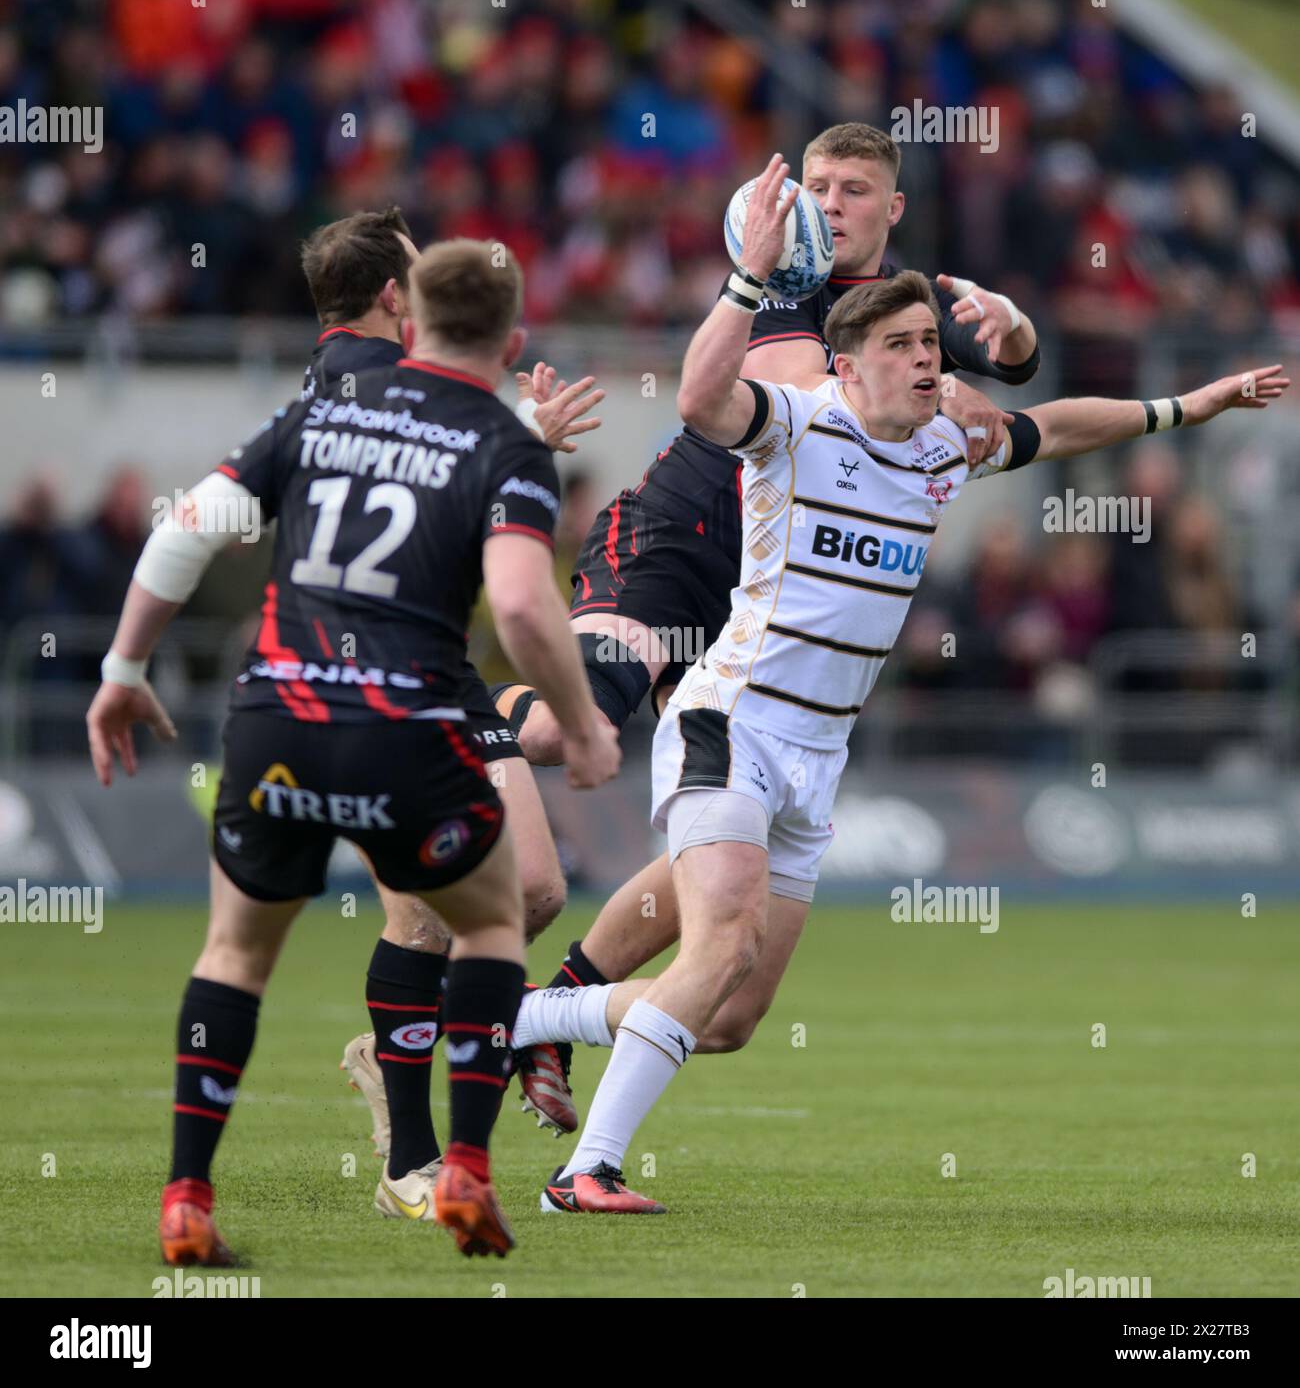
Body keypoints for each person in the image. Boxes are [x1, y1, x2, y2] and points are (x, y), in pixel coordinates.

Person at [505, 157, 1289, 1213]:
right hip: (731, 719)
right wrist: (745, 280)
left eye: (933, 345)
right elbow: (699, 396)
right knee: (717, 937)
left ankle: (518, 1019)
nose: (930, 363)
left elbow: (1057, 422)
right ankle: (584, 1172)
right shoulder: (791, 428)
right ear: (845, 363)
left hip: (818, 758)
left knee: (730, 1014)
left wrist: (1187, 405)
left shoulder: (942, 450)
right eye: (906, 348)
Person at [481, 121, 1042, 1127]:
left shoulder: (902, 313)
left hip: (762, 600)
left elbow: (1013, 383)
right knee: (586, 717)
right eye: (816, 183)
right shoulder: (780, 280)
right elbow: (797, 396)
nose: (829, 203)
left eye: (854, 188)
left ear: (893, 209)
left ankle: (548, 1009)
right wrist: (946, 394)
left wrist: (1014, 336)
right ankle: (456, 730)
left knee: (710, 870)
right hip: (676, 545)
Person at [85, 238, 621, 1260]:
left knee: (237, 952)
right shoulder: (462, 421)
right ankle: (443, 1160)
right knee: (500, 916)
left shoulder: (318, 409)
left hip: (280, 707)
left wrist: (122, 670)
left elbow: (184, 530)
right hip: (407, 706)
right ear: (405, 308)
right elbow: (515, 593)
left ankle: (189, 1194)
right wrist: (584, 724)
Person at [296, 209, 600, 1192]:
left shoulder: (381, 384)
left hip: (437, 669)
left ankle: (402, 1055)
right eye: (422, 276)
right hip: (361, 678)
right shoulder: (368, 378)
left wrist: (522, 445)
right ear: (395, 297)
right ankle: (412, 1156)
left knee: (535, 890)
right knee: (430, 919)